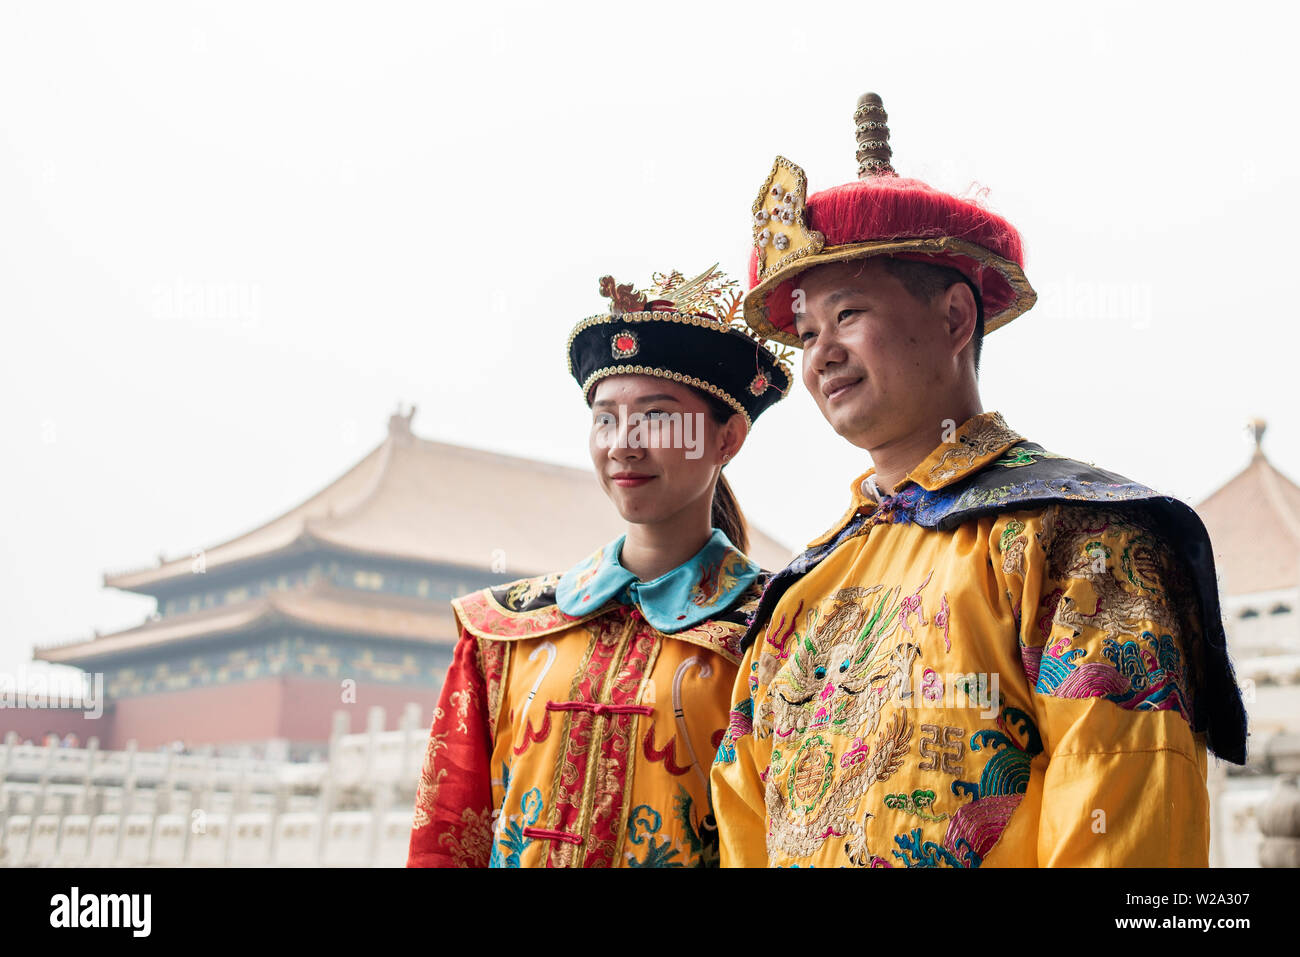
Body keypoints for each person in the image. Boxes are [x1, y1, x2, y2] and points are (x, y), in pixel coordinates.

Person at [711, 93, 1248, 868]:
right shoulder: (802, 592)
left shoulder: (1079, 540)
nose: (820, 352)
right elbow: (743, 827)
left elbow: (1127, 818)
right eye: (805, 332)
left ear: (957, 318)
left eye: (849, 314)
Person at [407, 266, 792, 867]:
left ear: (728, 439)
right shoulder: (504, 634)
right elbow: (450, 834)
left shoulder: (779, 632)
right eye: (605, 418)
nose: (623, 444)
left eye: (658, 416)